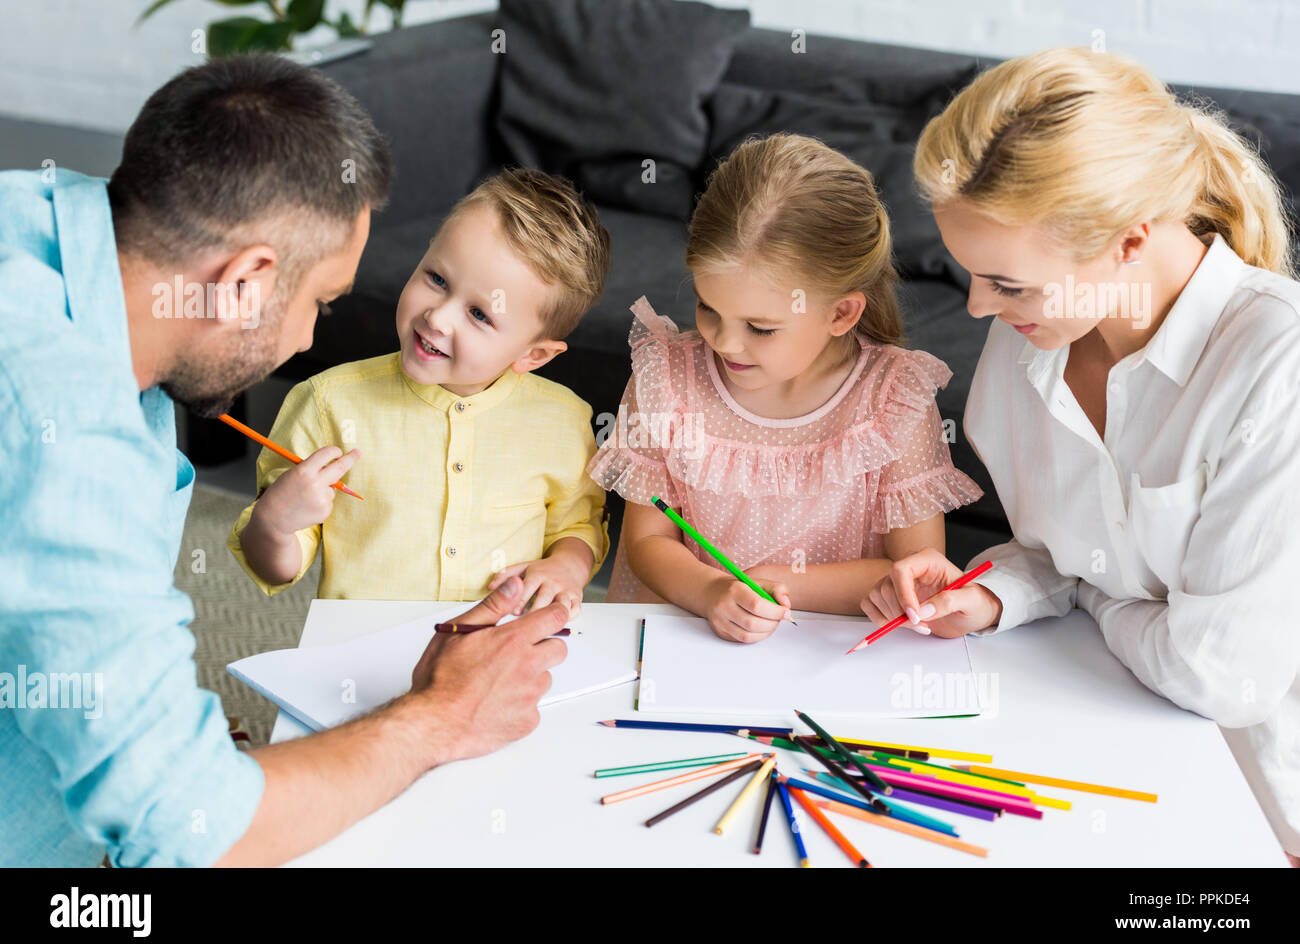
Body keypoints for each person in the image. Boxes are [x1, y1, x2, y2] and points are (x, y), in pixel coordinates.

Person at [0, 54, 568, 867]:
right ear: (246, 282)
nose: (307, 338)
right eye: (320, 304)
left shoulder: (35, 218)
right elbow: (193, 829)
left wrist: (159, 732)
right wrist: (441, 714)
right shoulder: (68, 438)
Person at [862, 47, 1300, 865]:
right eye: (972, 275)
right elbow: (1066, 552)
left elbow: (1220, 676)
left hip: (1262, 813)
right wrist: (993, 591)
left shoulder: (1279, 365)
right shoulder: (1024, 353)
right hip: (1099, 765)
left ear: (1129, 241)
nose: (979, 307)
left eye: (1008, 282)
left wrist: (1094, 602)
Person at [588, 133, 983, 642]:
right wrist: (711, 592)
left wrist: (762, 583)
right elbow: (647, 541)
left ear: (841, 313)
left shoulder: (894, 399)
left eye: (761, 327)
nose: (725, 342)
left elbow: (913, 572)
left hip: (830, 653)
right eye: (708, 307)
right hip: (683, 642)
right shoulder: (665, 378)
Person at [228, 168, 611, 618]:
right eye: (437, 279)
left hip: (499, 656)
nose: (438, 317)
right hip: (360, 658)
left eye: (479, 315)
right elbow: (274, 566)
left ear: (535, 355)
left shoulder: (563, 421)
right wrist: (272, 526)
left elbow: (578, 523)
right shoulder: (328, 403)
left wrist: (569, 564)